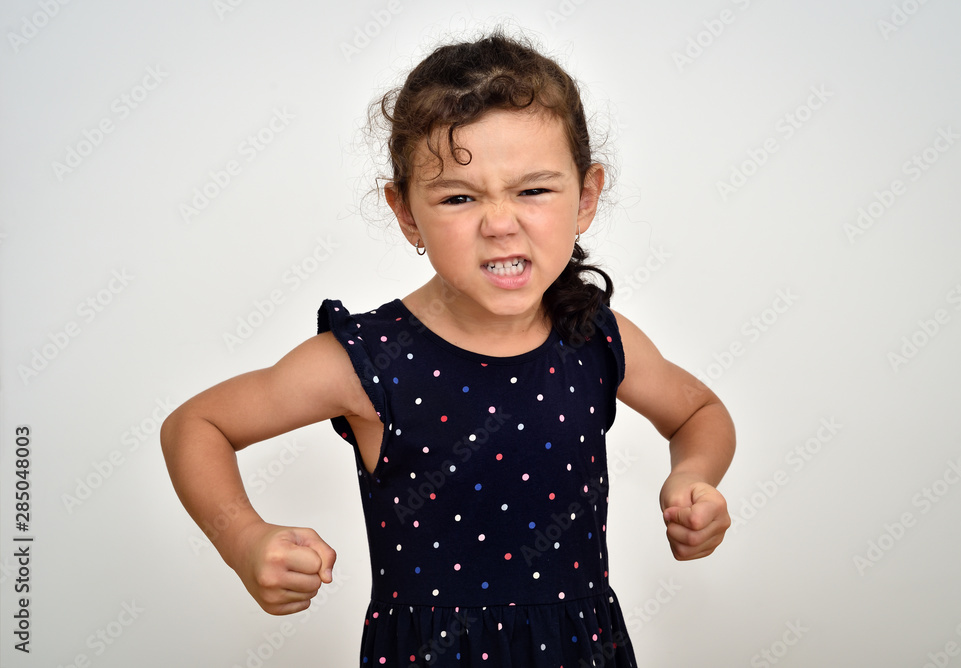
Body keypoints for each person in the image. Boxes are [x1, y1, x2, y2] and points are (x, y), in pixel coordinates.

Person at [161, 29, 735, 667]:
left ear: (586, 197)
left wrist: (693, 477)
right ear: (407, 212)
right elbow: (197, 424)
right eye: (460, 197)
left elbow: (698, 411)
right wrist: (244, 539)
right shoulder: (369, 359)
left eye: (533, 190)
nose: (500, 223)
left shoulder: (596, 337)